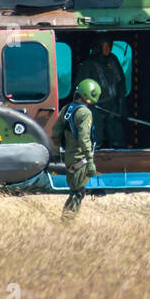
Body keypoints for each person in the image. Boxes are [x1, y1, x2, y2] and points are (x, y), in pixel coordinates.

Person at [51, 78, 101, 216]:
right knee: (78, 192)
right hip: (80, 159)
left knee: (74, 191)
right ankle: (68, 221)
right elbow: (85, 139)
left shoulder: (67, 109)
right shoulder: (85, 113)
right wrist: (90, 161)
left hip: (69, 158)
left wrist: (64, 148)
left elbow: (55, 132)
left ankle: (67, 219)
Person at [76, 38, 128, 148]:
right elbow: (80, 90)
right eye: (105, 46)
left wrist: (120, 103)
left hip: (113, 107)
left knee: (116, 136)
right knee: (95, 137)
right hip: (95, 107)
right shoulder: (88, 65)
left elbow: (121, 83)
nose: (108, 49)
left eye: (109, 46)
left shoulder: (113, 60)